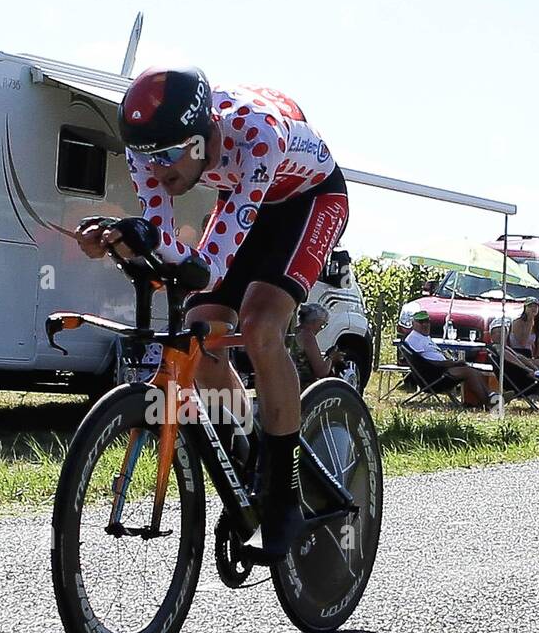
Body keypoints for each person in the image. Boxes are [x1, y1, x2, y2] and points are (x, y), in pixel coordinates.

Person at [75, 67, 349, 557]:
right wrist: (119, 241)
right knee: (201, 336)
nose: (156, 169)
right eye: (147, 156)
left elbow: (207, 265)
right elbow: (163, 253)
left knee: (261, 323)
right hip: (245, 197)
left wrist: (149, 242)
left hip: (309, 199)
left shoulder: (256, 134)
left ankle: (283, 495)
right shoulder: (151, 149)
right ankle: (248, 457)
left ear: (204, 136)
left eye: (169, 155)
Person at [401, 309, 500, 407]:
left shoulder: (423, 337)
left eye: (427, 321)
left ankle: (489, 396)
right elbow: (423, 363)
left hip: (441, 370)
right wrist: (449, 363)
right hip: (434, 375)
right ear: (413, 324)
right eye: (421, 322)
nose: (425, 324)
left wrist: (452, 362)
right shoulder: (414, 338)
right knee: (469, 372)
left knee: (474, 371)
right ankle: (488, 402)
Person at [291, 302, 339, 385]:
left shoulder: (294, 333)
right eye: (322, 324)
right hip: (302, 385)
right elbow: (321, 371)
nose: (321, 329)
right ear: (313, 321)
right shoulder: (307, 337)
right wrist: (331, 357)